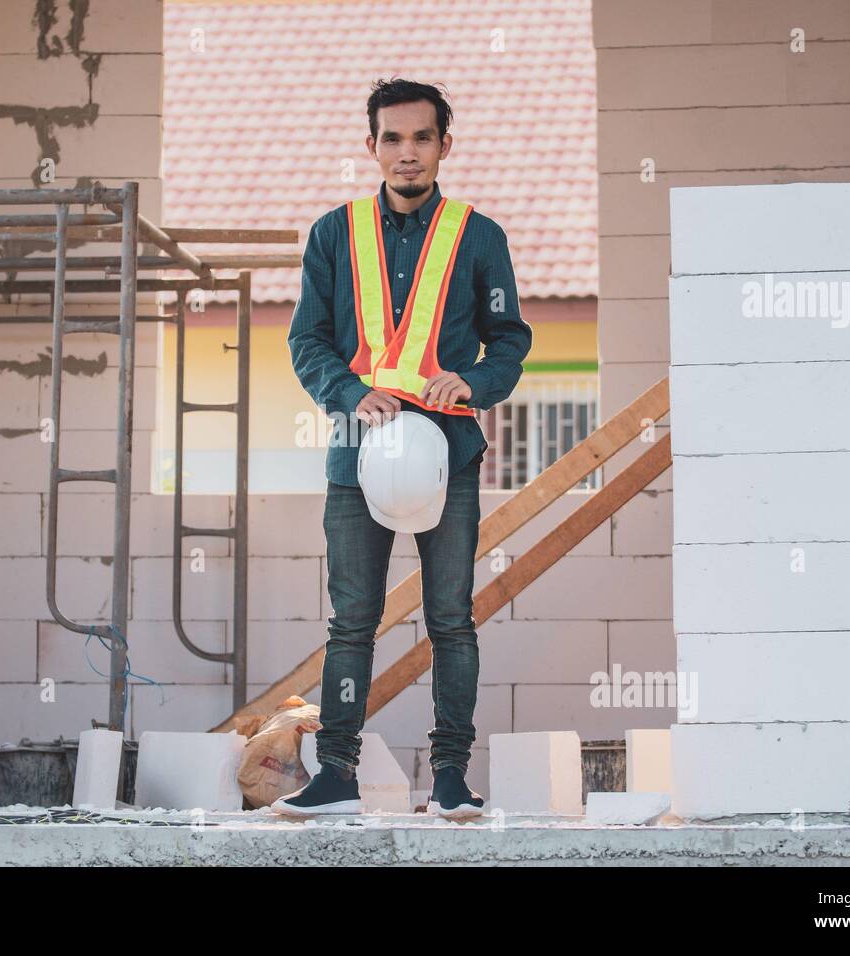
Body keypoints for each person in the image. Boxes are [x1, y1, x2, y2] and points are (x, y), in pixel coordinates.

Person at [277, 78, 532, 818]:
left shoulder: (478, 235)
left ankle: (451, 775)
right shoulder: (334, 232)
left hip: (447, 451)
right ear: (372, 146)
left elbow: (510, 337)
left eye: (422, 137)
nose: (407, 152)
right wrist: (352, 394)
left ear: (444, 146)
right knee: (351, 620)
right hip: (359, 452)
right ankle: (336, 775)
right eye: (392, 137)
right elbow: (307, 341)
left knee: (450, 616)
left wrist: (476, 381)